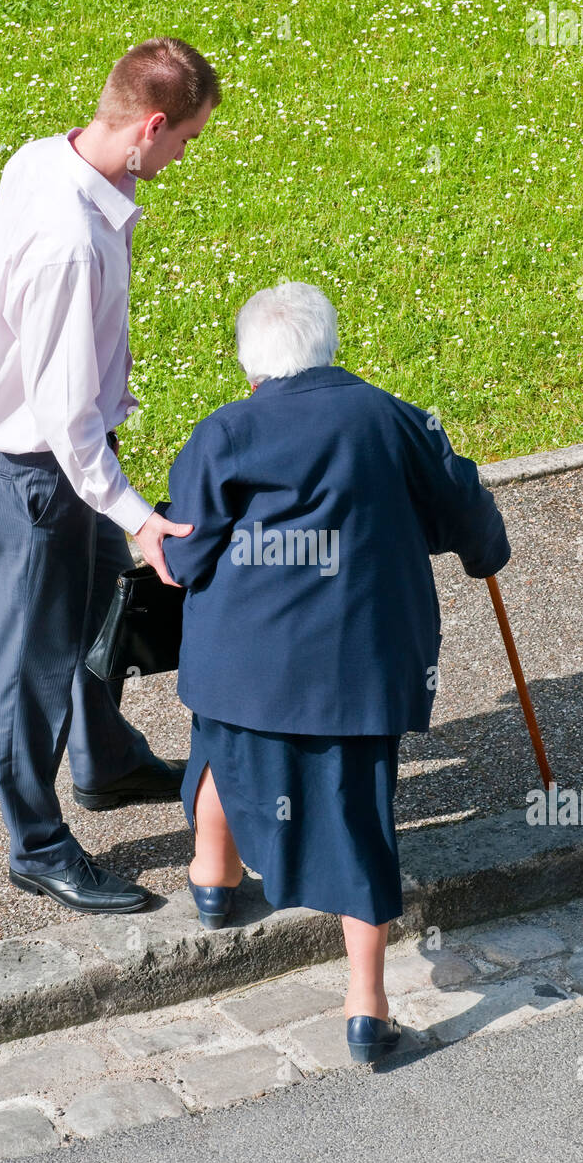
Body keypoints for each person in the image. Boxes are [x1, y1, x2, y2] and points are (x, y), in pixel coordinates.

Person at [157, 281, 511, 1063]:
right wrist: (487, 550)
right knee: (355, 817)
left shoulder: (225, 431)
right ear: (329, 345)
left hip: (242, 662)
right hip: (360, 662)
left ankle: (213, 886)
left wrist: (145, 547)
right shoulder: (393, 417)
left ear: (251, 366)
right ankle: (367, 1008)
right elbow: (463, 505)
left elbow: (182, 554)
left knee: (220, 744)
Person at [0, 37, 219, 914]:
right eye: (185, 138)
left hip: (51, 465)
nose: (184, 156)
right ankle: (35, 846)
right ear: (149, 126)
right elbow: (68, 422)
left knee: (100, 610)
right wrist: (140, 517)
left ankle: (105, 762)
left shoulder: (45, 157)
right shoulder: (74, 244)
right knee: (33, 666)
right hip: (38, 478)